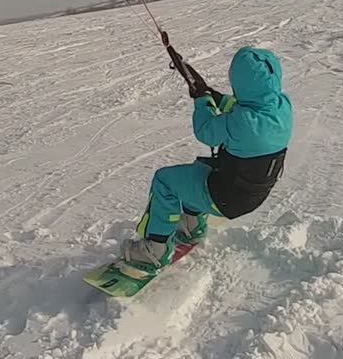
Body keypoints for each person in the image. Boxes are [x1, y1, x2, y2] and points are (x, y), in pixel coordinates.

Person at [119, 45, 293, 276]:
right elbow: (241, 107)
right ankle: (191, 227)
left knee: (165, 181)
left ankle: (155, 250)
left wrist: (202, 101)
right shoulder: (282, 107)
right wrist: (212, 94)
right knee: (198, 170)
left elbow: (206, 130)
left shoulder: (241, 122)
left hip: (226, 198)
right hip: (252, 192)